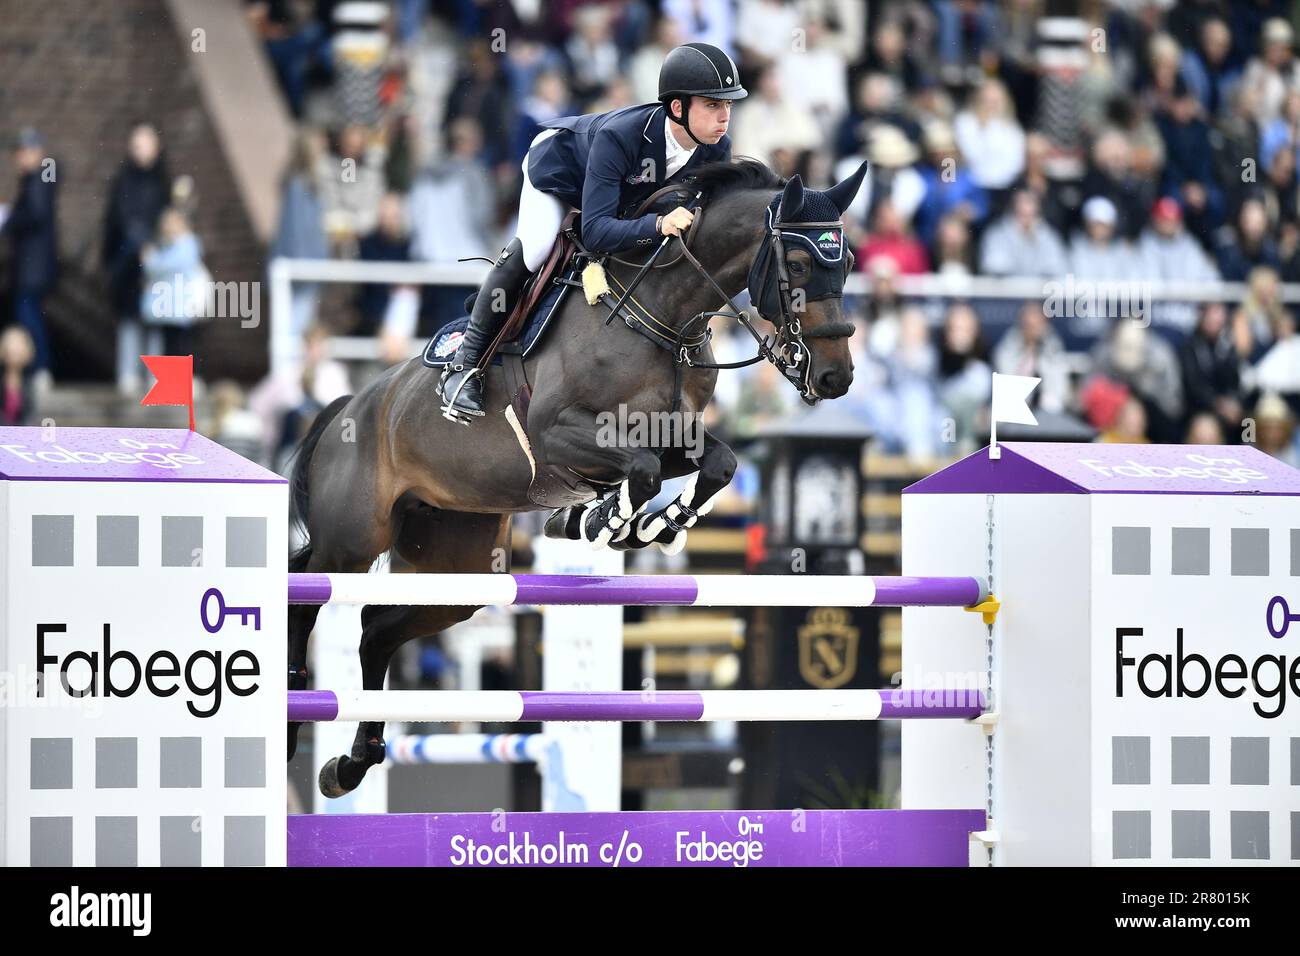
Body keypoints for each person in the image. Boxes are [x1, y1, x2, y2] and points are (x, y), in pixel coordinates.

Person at [438, 42, 747, 424]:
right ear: (678, 108)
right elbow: (597, 230)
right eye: (713, 105)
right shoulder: (622, 136)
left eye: (728, 105)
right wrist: (655, 225)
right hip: (559, 175)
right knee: (535, 250)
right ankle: (463, 367)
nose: (725, 116)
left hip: (620, 198)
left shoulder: (717, 150)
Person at [0, 128, 57, 377]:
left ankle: (40, 366)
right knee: (28, 312)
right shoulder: (38, 179)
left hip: (33, 266)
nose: (19, 158)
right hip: (32, 265)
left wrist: (9, 220)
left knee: (28, 313)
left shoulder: (39, 179)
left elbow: (35, 214)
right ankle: (38, 367)